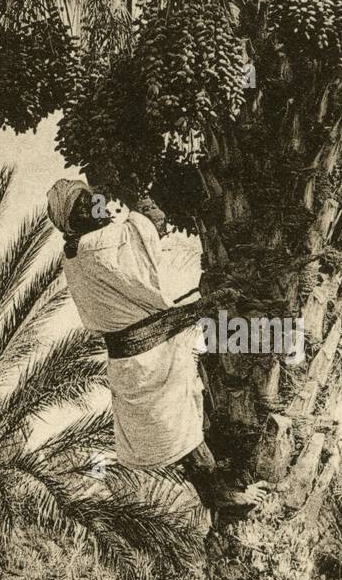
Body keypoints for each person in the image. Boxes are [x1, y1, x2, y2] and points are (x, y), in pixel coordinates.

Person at [46, 178, 267, 514]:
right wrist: (143, 215)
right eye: (85, 204)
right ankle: (224, 496)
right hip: (147, 360)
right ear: (73, 219)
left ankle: (224, 493)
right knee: (186, 437)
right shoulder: (97, 247)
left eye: (92, 199)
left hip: (135, 362)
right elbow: (136, 251)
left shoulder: (73, 255)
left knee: (188, 432)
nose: (96, 204)